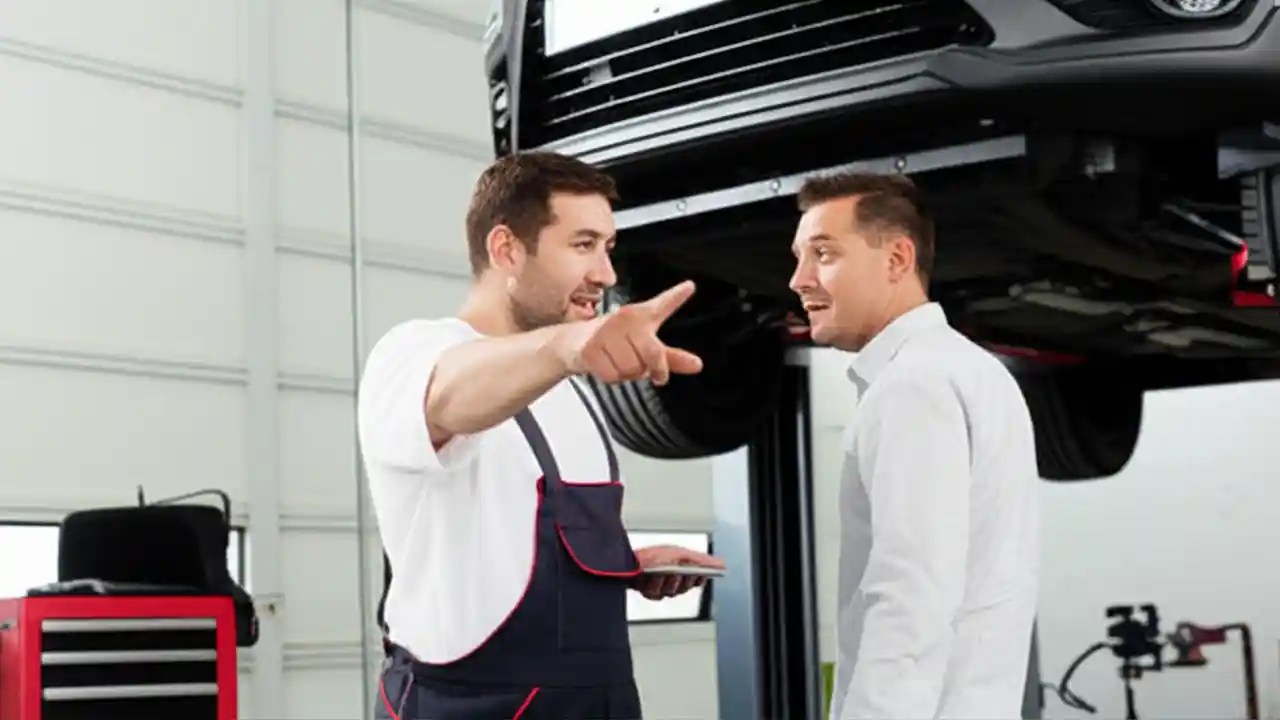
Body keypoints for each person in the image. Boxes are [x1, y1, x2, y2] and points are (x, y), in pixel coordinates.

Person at [358, 150, 725, 720]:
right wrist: (567, 348)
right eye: (582, 245)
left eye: (608, 249)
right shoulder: (414, 352)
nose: (605, 275)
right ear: (506, 249)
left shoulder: (572, 388)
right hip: (468, 707)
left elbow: (517, 538)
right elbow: (448, 396)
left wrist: (619, 565)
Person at [788, 172, 1040, 719]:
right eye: (799, 257)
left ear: (897, 260)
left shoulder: (912, 386)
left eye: (823, 254)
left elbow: (910, 594)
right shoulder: (972, 369)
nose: (799, 280)